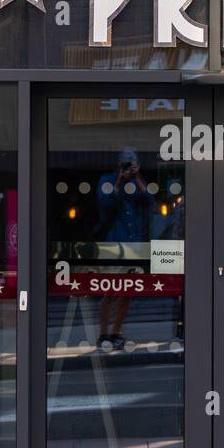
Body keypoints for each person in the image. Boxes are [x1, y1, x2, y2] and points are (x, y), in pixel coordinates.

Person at [94, 148, 153, 351]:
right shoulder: (107, 180)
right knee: (109, 291)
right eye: (126, 163)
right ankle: (103, 335)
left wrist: (138, 177)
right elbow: (105, 203)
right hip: (114, 245)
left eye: (132, 163)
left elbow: (150, 201)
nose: (129, 167)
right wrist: (119, 182)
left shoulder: (136, 182)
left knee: (127, 292)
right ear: (118, 163)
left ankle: (116, 333)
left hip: (133, 246)